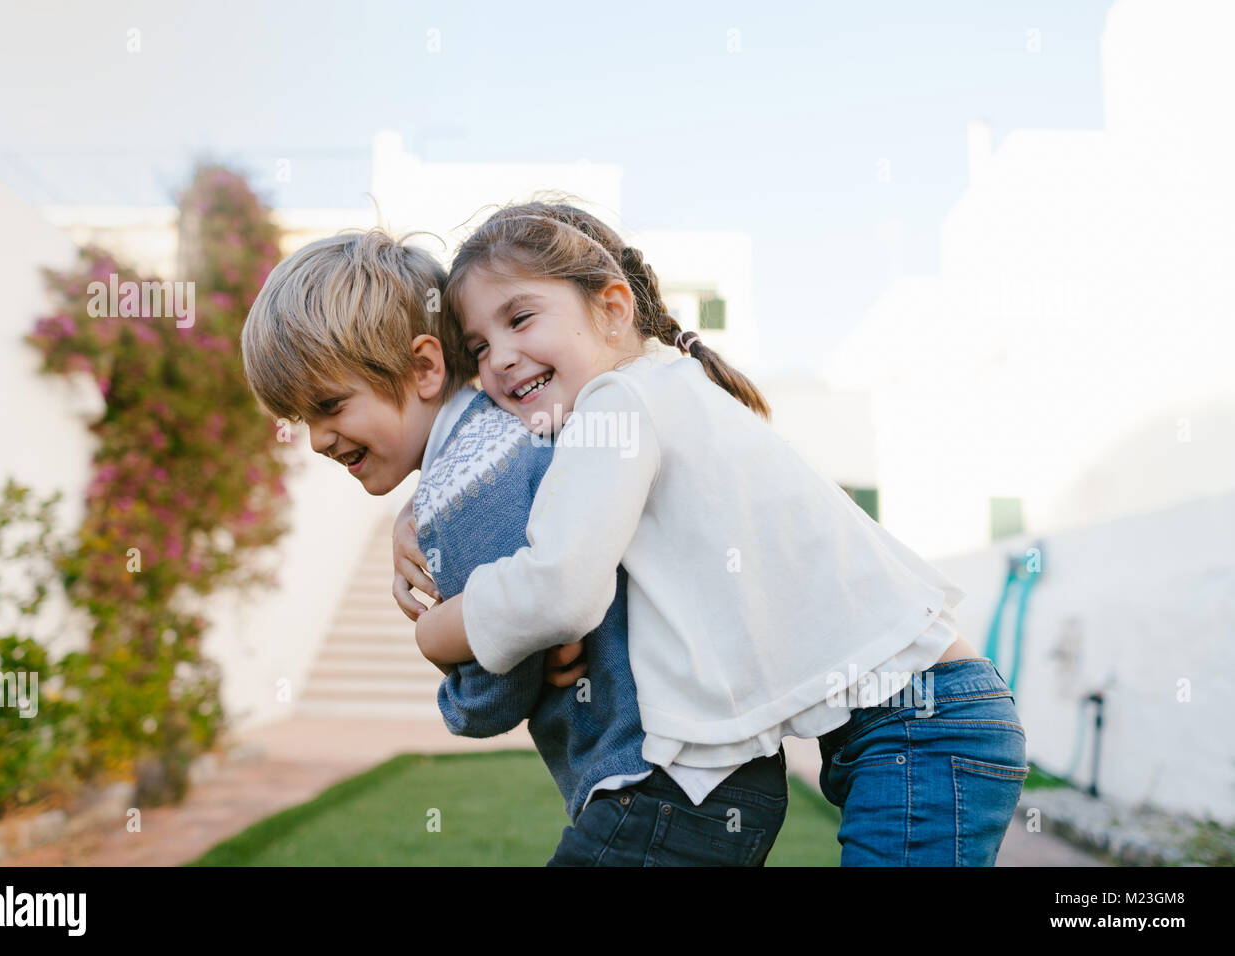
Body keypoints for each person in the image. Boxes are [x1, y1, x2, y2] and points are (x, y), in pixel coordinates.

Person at [413, 201, 1030, 866]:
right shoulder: (663, 389)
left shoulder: (618, 405)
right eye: (477, 348)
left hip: (922, 725)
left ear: (614, 308)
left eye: (521, 318)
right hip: (925, 715)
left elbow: (560, 586)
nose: (499, 359)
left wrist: (439, 627)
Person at [240, 228, 786, 865]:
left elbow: (498, 693)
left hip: (654, 779)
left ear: (424, 367)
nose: (316, 440)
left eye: (329, 406)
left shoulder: (461, 490)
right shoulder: (523, 427)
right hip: (715, 765)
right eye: (303, 418)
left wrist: (457, 689)